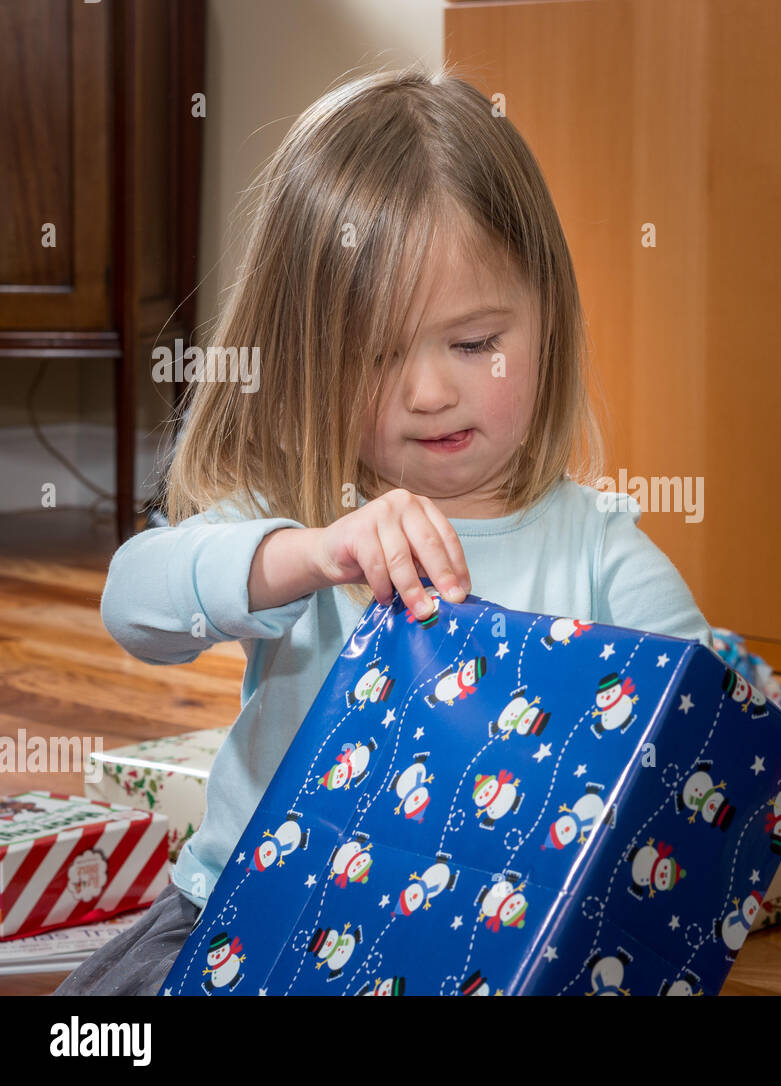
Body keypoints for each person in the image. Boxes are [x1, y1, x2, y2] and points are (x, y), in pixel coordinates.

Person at [54, 63, 710, 996]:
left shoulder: (599, 549)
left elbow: (698, 732)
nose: (431, 392)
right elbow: (135, 604)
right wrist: (310, 555)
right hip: (245, 921)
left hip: (467, 958)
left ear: (549, 321)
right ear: (305, 357)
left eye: (477, 342)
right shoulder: (307, 512)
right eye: (375, 352)